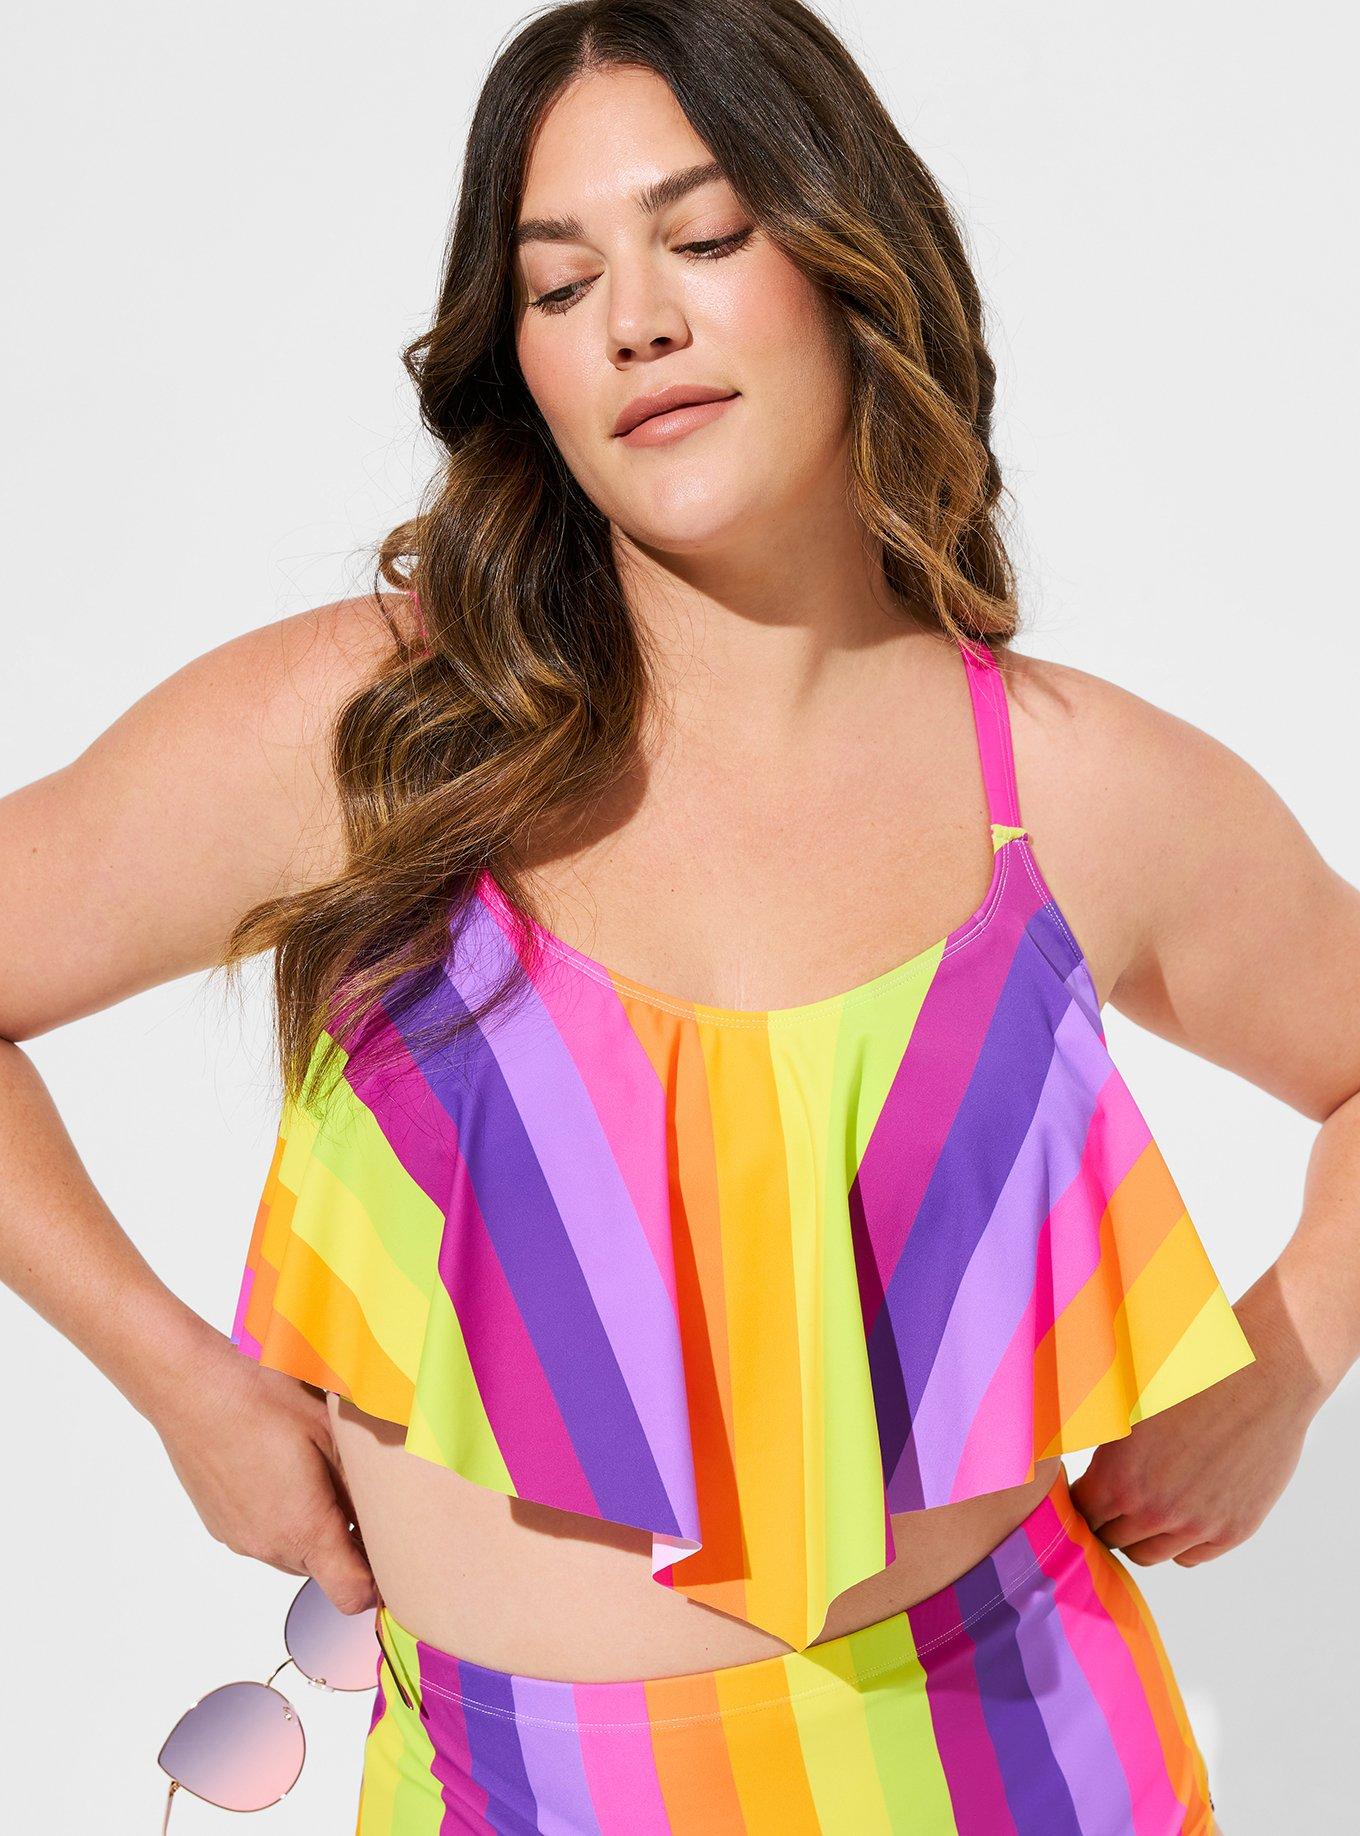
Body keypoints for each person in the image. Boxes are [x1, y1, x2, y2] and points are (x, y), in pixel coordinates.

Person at [2, 2, 1355, 1829]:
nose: (635, 319)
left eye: (705, 238)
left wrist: (1280, 1368)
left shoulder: (1078, 789)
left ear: (853, 263)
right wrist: (179, 1385)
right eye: (561, 286)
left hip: (1017, 1768)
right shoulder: (378, 733)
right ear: (524, 366)